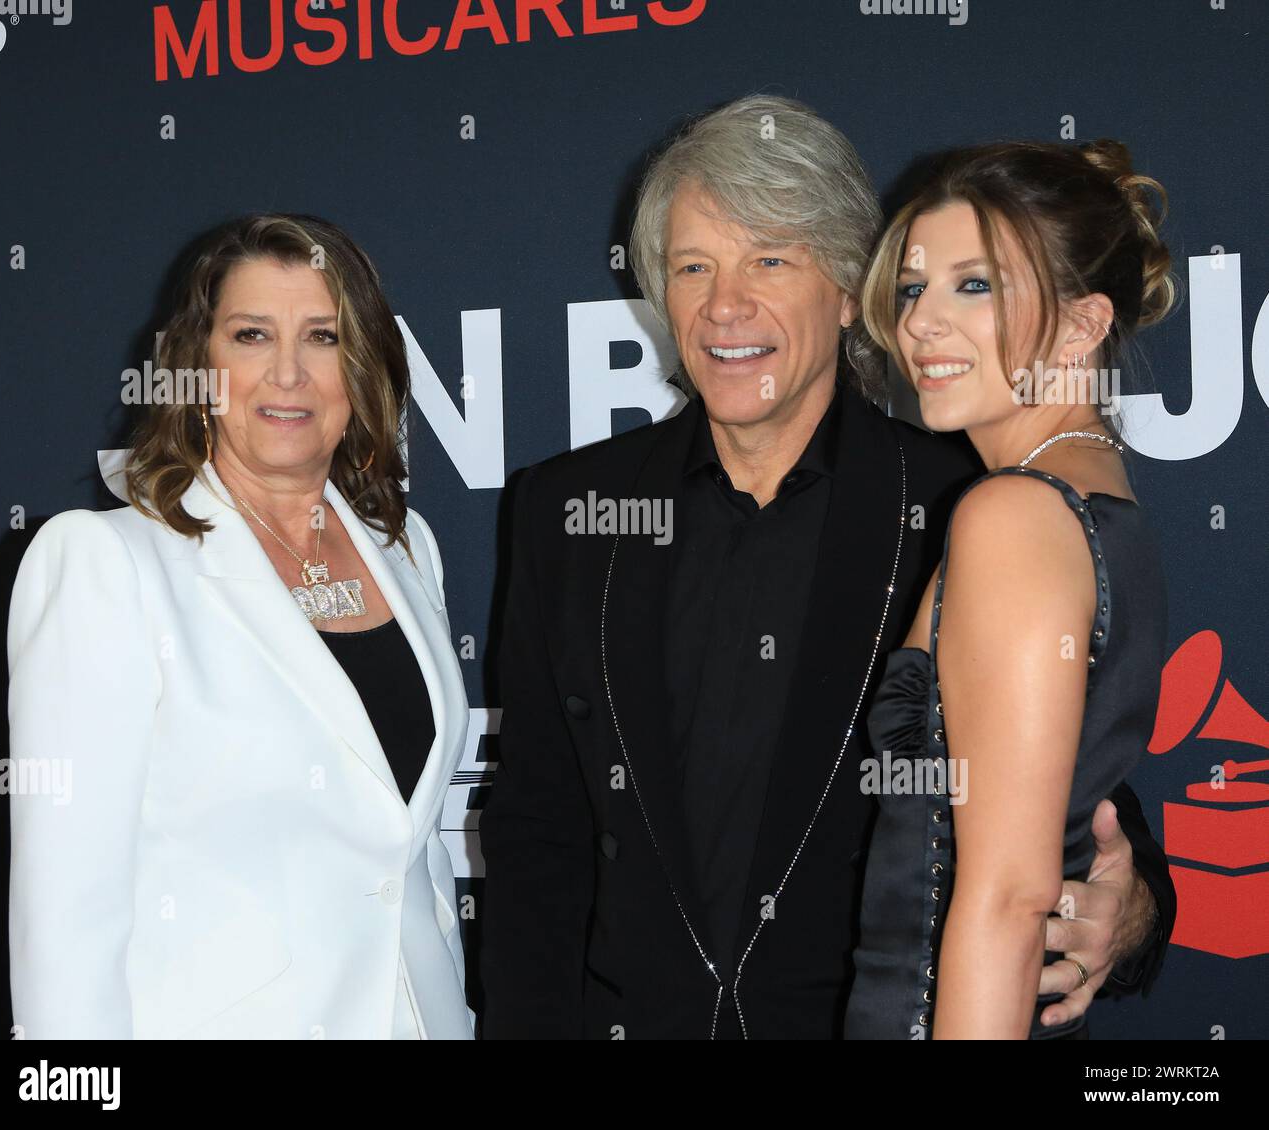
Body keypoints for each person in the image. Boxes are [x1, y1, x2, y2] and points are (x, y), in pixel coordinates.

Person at [479, 96, 1174, 1039]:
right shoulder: (566, 513)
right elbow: (534, 831)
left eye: (771, 259)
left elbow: (1065, 784)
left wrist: (1128, 910)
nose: (727, 304)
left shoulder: (962, 500)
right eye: (693, 268)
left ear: (850, 291)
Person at [7, 214, 473, 1039]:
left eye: (323, 336)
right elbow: (65, 918)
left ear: (362, 365)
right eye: (252, 335)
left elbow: (413, 851)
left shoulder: (408, 549)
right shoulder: (106, 564)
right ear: (198, 365)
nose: (288, 372)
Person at [844, 140, 1174, 1039]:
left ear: (1080, 325)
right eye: (913, 288)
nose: (921, 324)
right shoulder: (1094, 499)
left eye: (974, 286)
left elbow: (1008, 902)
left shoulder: (1014, 515)